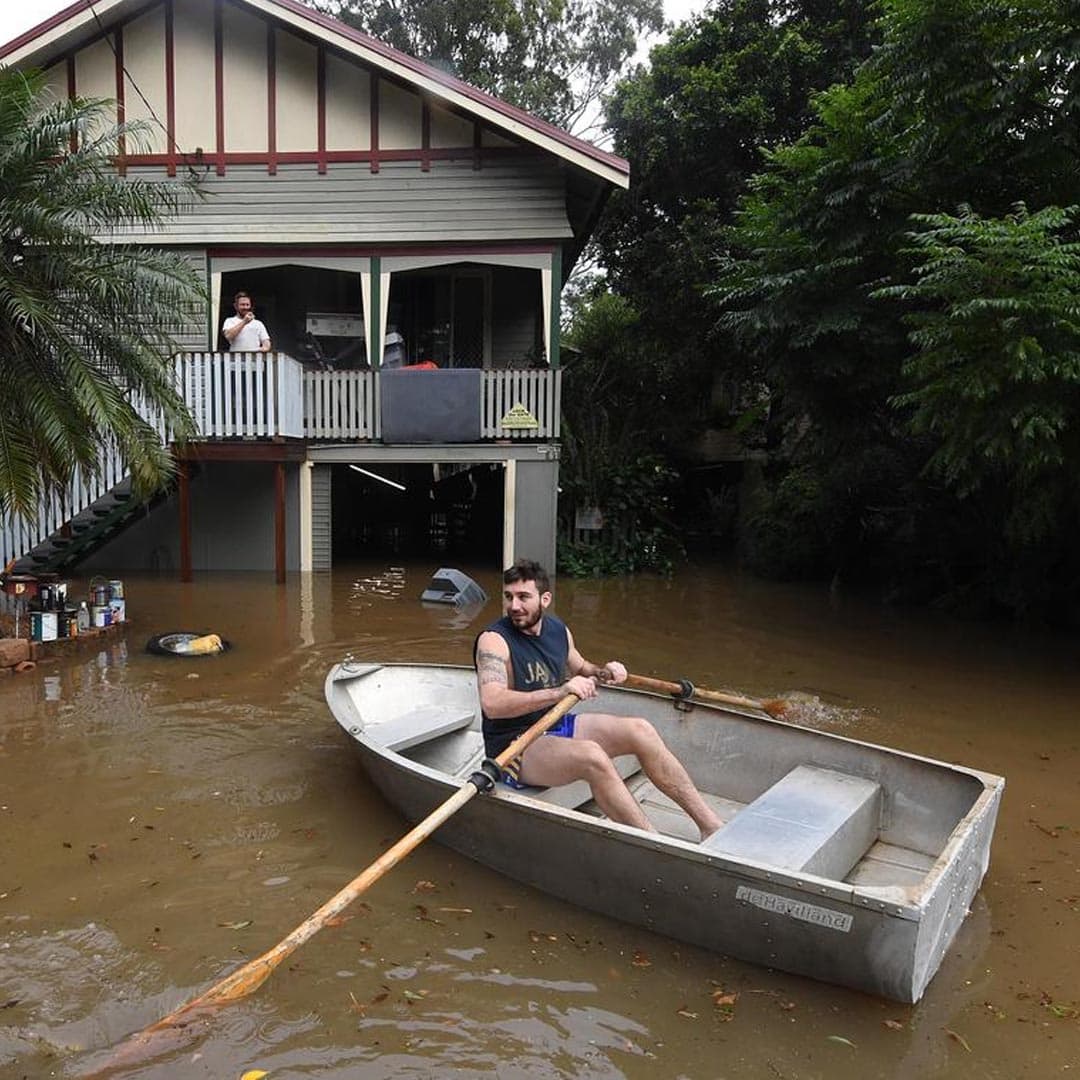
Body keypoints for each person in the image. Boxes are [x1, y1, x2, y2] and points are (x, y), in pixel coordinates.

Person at [474, 559, 723, 841]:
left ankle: (710, 826)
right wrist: (560, 692)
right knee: (592, 756)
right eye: (508, 597)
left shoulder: (557, 630)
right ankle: (656, 843)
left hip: (554, 724)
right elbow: (492, 703)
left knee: (640, 730)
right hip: (514, 746)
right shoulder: (494, 640)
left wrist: (606, 671)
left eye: (523, 597)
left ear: (545, 599)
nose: (514, 606)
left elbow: (582, 667)